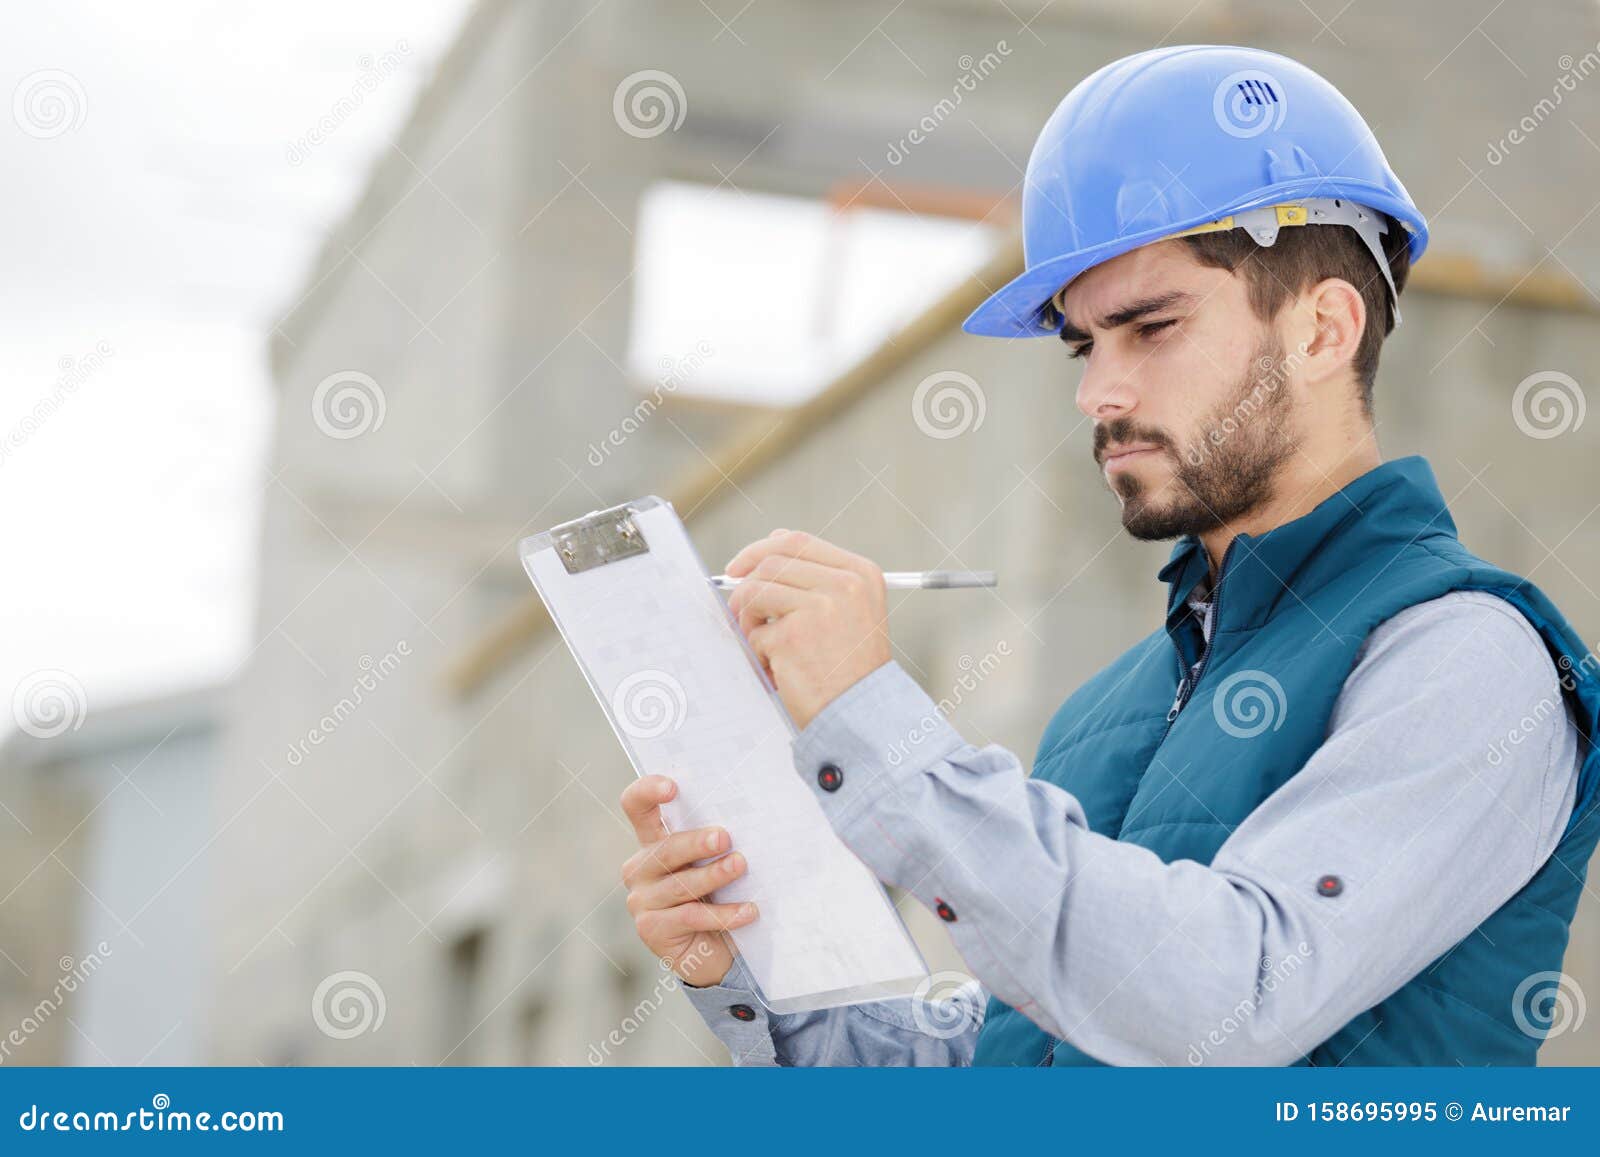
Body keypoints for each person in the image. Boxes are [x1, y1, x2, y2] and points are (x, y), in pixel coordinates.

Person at [616, 44, 1600, 1066]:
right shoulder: (1113, 704)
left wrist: (876, 725)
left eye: (1152, 328)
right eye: (1087, 346)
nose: (1098, 394)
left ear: (1321, 331)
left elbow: (1228, 1001)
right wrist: (755, 969)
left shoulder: (1466, 660)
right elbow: (1023, 1070)